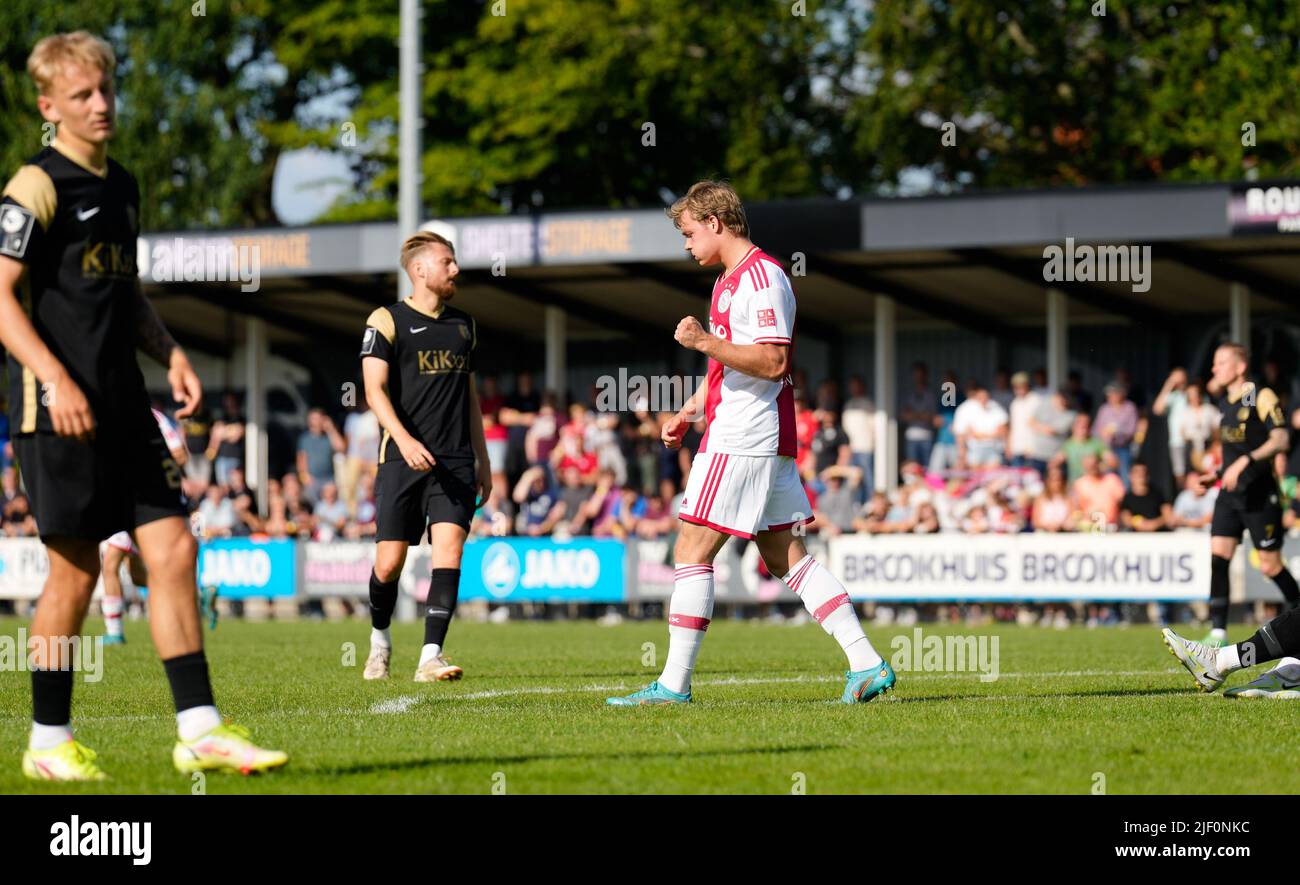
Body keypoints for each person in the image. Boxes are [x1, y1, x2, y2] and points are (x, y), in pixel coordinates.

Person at [0, 31, 284, 780]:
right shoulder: (34, 185)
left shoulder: (122, 185)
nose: (101, 105)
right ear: (49, 104)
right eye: (84, 95)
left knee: (175, 548)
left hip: (126, 407)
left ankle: (200, 729)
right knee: (75, 575)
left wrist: (173, 351)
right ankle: (47, 742)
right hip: (55, 409)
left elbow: (122, 296)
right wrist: (56, 381)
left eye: (107, 90)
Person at [607, 181, 891, 707]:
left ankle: (673, 685)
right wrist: (691, 411)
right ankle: (867, 662)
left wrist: (702, 341)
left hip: (744, 435)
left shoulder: (763, 277)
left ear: (716, 223)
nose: (687, 245)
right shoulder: (727, 283)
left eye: (690, 233)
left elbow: (773, 361)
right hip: (754, 433)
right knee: (787, 558)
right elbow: (727, 365)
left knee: (691, 548)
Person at [359, 230, 491, 682]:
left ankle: (429, 655)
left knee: (449, 551)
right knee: (388, 563)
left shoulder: (465, 326)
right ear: (420, 270)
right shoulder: (387, 319)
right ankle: (379, 639)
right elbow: (373, 391)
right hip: (401, 458)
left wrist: (483, 459)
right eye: (447, 262)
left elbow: (469, 396)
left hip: (455, 461)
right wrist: (404, 439)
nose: (455, 270)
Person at [1197, 342, 1296, 647]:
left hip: (1259, 494)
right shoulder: (1226, 403)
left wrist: (1246, 461)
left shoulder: (1257, 395)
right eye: (1214, 363)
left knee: (1269, 565)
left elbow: (1280, 439)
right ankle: (1217, 633)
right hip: (1229, 494)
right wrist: (1218, 472)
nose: (1214, 369)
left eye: (1221, 362)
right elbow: (1236, 447)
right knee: (1219, 557)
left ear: (1240, 367)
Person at [99, 406, 190, 645]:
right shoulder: (110, 415)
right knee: (139, 576)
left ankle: (115, 631)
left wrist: (146, 471)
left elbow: (181, 455)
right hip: (122, 501)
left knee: (110, 565)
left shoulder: (154, 418)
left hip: (142, 502)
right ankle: (194, 598)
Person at [1119, 463, 1172, 532]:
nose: (1141, 474)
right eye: (1137, 472)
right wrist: (1140, 524)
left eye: (1144, 472)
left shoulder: (1158, 494)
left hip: (1159, 536)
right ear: (1130, 476)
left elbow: (1168, 515)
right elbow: (1126, 519)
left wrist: (1154, 524)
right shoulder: (1127, 498)